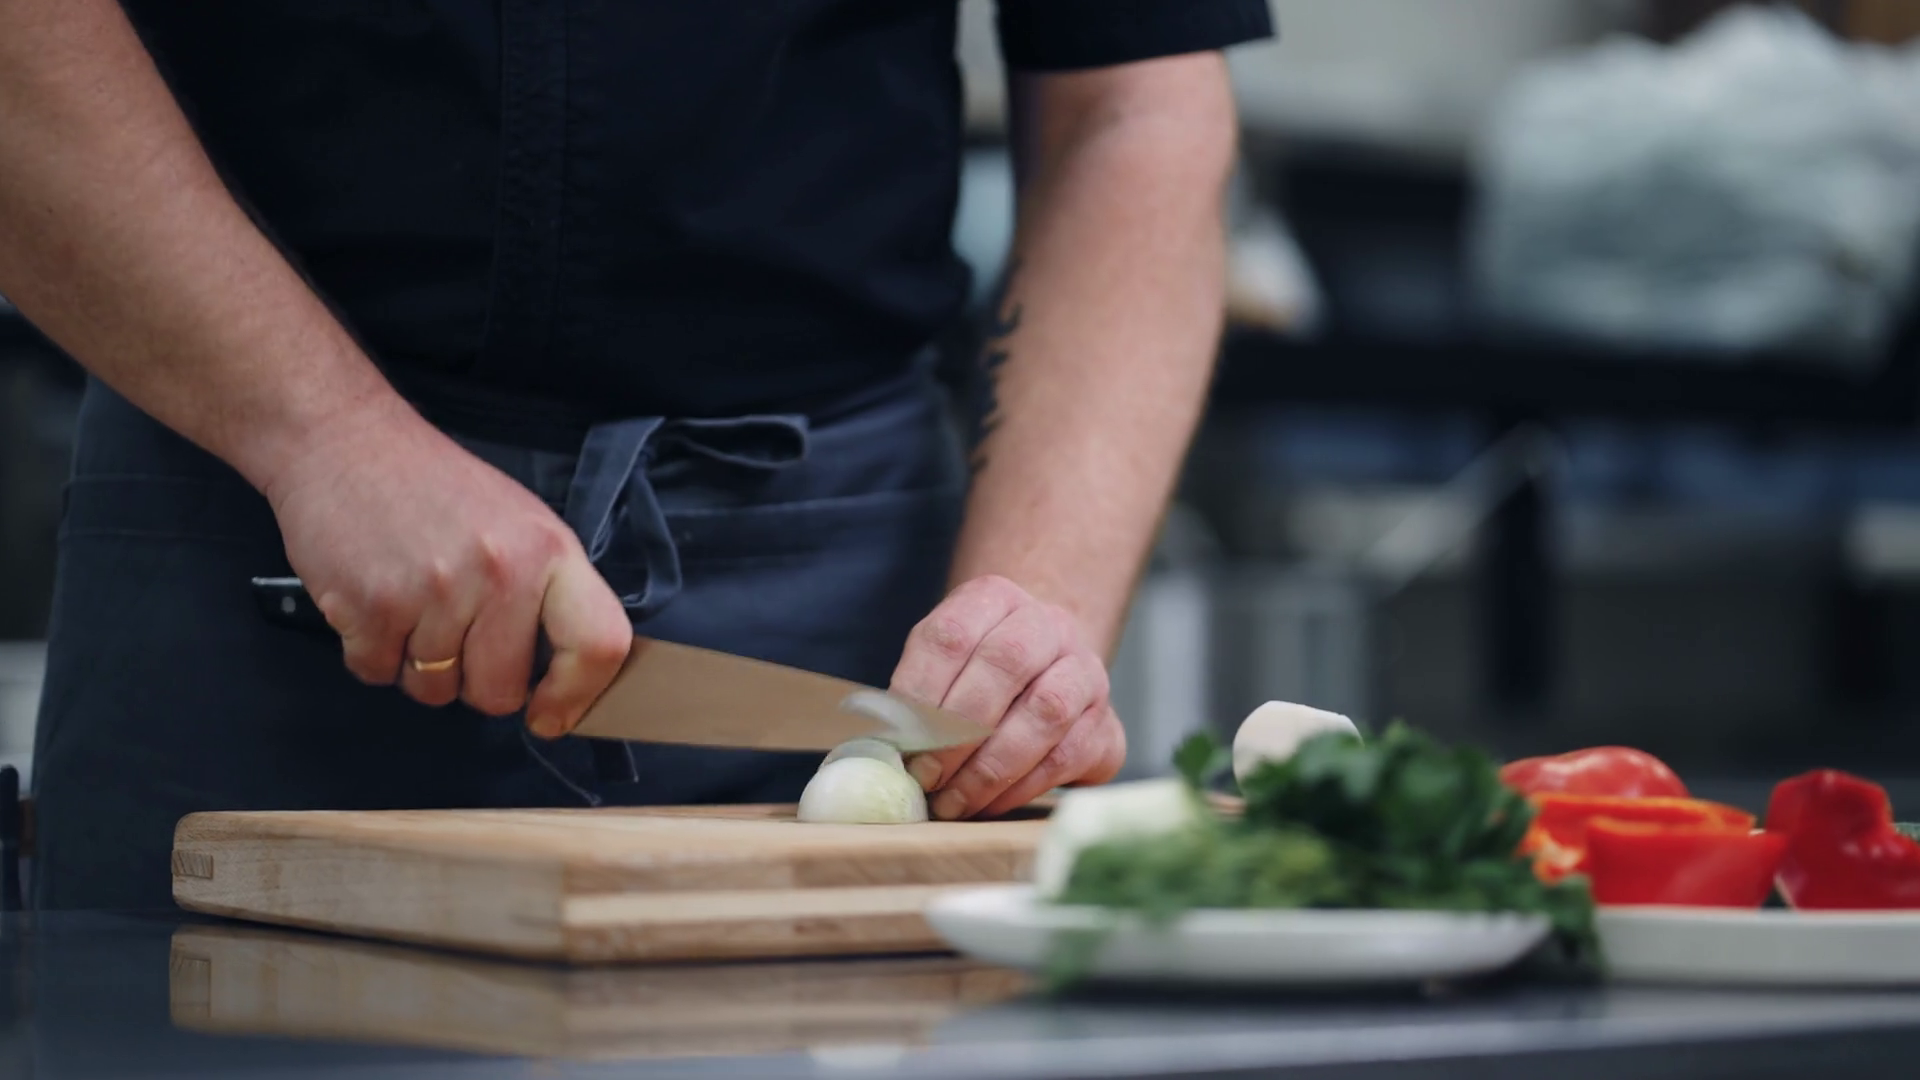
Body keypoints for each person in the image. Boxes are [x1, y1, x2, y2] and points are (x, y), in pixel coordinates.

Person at [0, 0, 1273, 910]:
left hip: (857, 622)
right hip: (257, 567)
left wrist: (1030, 616)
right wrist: (322, 435)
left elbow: (1137, 106)